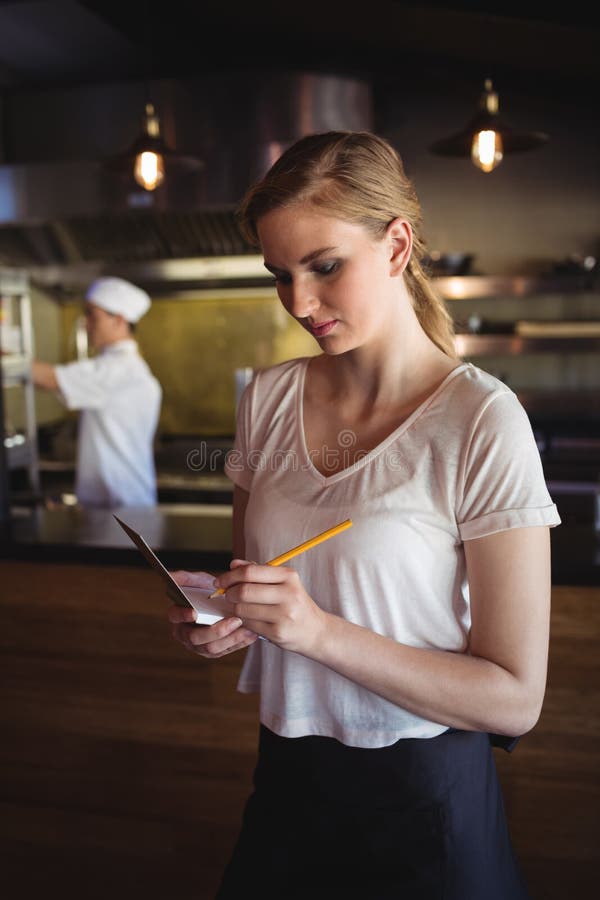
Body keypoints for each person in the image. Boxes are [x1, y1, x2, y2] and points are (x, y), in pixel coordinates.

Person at [168, 131, 560, 899]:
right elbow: (264, 577)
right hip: (285, 782)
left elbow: (516, 696)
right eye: (280, 275)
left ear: (396, 244)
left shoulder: (481, 420)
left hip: (424, 804)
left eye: (324, 267)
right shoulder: (269, 398)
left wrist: (316, 631)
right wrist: (225, 612)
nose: (299, 304)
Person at [32, 276, 162, 509]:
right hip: (119, 505)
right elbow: (47, 381)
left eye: (93, 315)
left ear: (119, 320)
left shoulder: (118, 371)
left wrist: (12, 360)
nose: (86, 323)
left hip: (121, 508)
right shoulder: (120, 367)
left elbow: (50, 378)